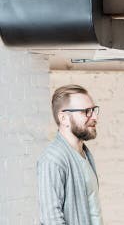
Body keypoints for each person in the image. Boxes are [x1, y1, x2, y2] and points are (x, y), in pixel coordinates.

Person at [37, 85, 103, 225]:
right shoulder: (53, 159)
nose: (94, 117)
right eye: (86, 111)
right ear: (64, 118)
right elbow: (51, 220)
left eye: (93, 110)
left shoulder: (85, 155)